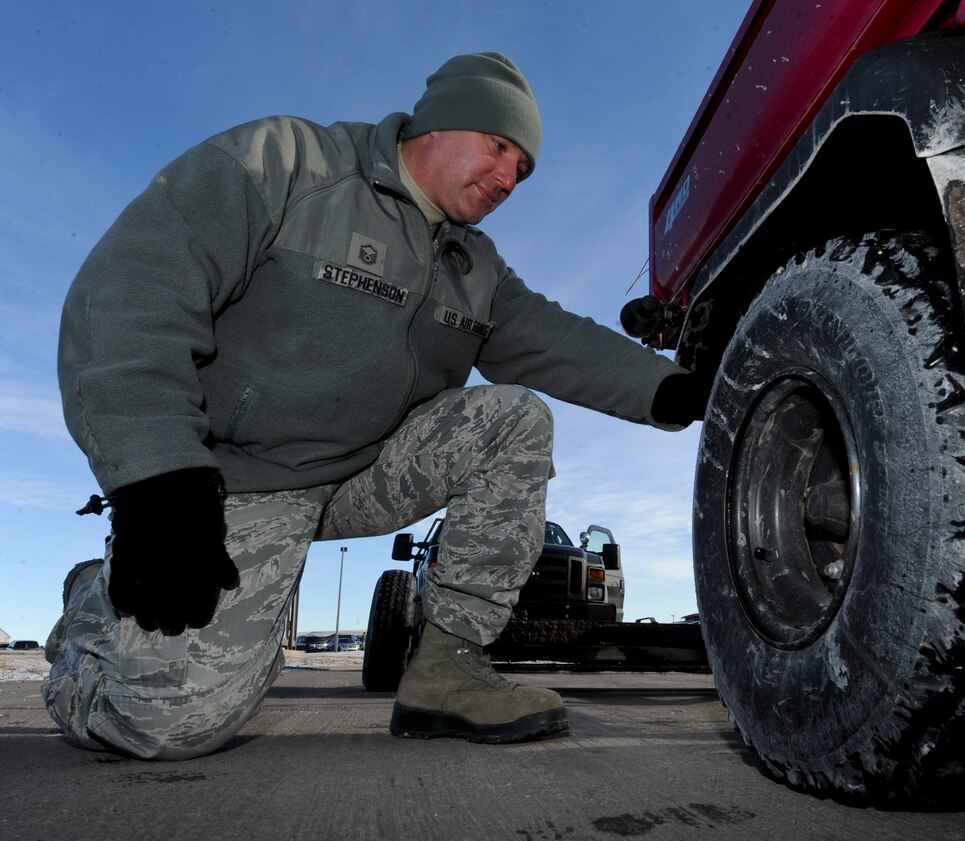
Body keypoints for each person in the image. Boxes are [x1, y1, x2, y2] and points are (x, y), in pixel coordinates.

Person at [45, 52, 705, 761]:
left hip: (366, 470)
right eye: (500, 147)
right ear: (444, 124)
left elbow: (562, 344)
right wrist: (156, 472)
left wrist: (680, 388)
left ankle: (447, 671)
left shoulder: (474, 266)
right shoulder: (292, 164)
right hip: (231, 479)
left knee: (513, 417)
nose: (510, 178)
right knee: (166, 725)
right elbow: (135, 287)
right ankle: (95, 603)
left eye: (523, 167)